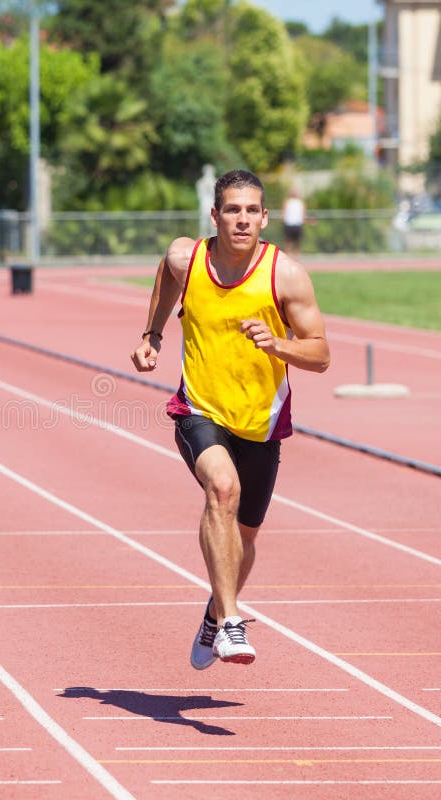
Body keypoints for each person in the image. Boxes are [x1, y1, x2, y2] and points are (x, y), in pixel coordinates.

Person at [131, 169, 329, 669]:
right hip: (200, 407)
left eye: (251, 211)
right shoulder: (188, 256)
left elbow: (321, 354)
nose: (242, 220)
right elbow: (167, 274)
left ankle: (214, 613)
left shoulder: (285, 275)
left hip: (261, 422)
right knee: (221, 488)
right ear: (215, 215)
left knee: (244, 539)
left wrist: (276, 342)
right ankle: (233, 622)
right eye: (232, 210)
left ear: (265, 218)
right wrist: (153, 333)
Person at [281, 189, 306, 258]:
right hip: (289, 223)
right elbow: (284, 212)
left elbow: (303, 213)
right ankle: (287, 255)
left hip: (298, 224)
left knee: (297, 241)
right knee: (288, 241)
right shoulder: (287, 202)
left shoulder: (300, 202)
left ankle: (296, 255)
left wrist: (303, 220)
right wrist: (284, 221)